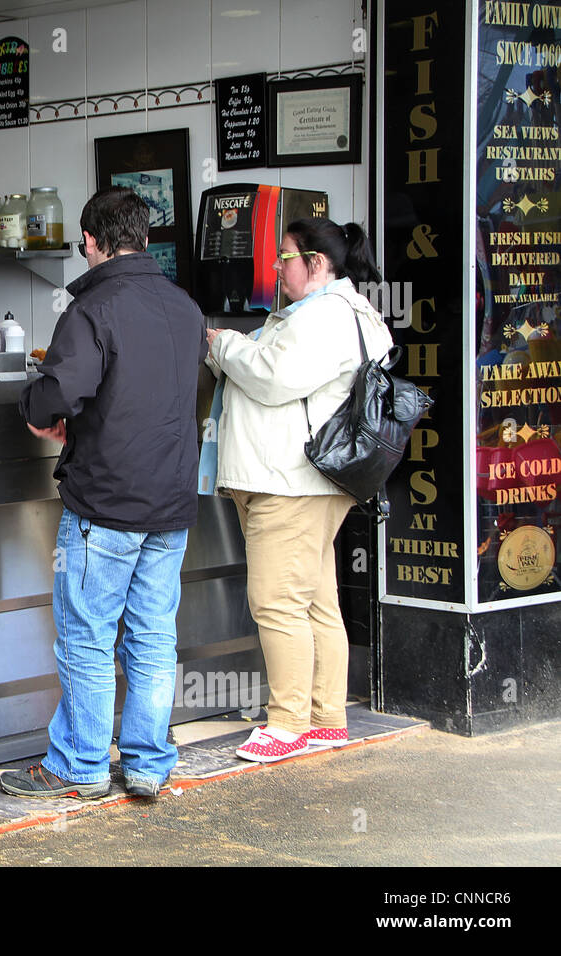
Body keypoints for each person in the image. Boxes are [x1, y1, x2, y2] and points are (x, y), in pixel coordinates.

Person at [1, 187, 205, 800]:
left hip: (107, 504)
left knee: (89, 635)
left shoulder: (92, 310)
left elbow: (60, 390)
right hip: (171, 504)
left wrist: (39, 410)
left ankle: (80, 765)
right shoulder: (185, 307)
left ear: (91, 241)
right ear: (144, 238)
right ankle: (146, 763)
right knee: (152, 635)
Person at [206, 218, 393, 762]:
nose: (276, 269)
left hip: (288, 481)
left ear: (315, 263)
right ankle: (325, 717)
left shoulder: (327, 317)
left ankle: (287, 723)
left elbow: (272, 376)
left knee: (277, 603)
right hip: (301, 481)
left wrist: (223, 345)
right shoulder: (331, 313)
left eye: (282, 257)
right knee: (314, 601)